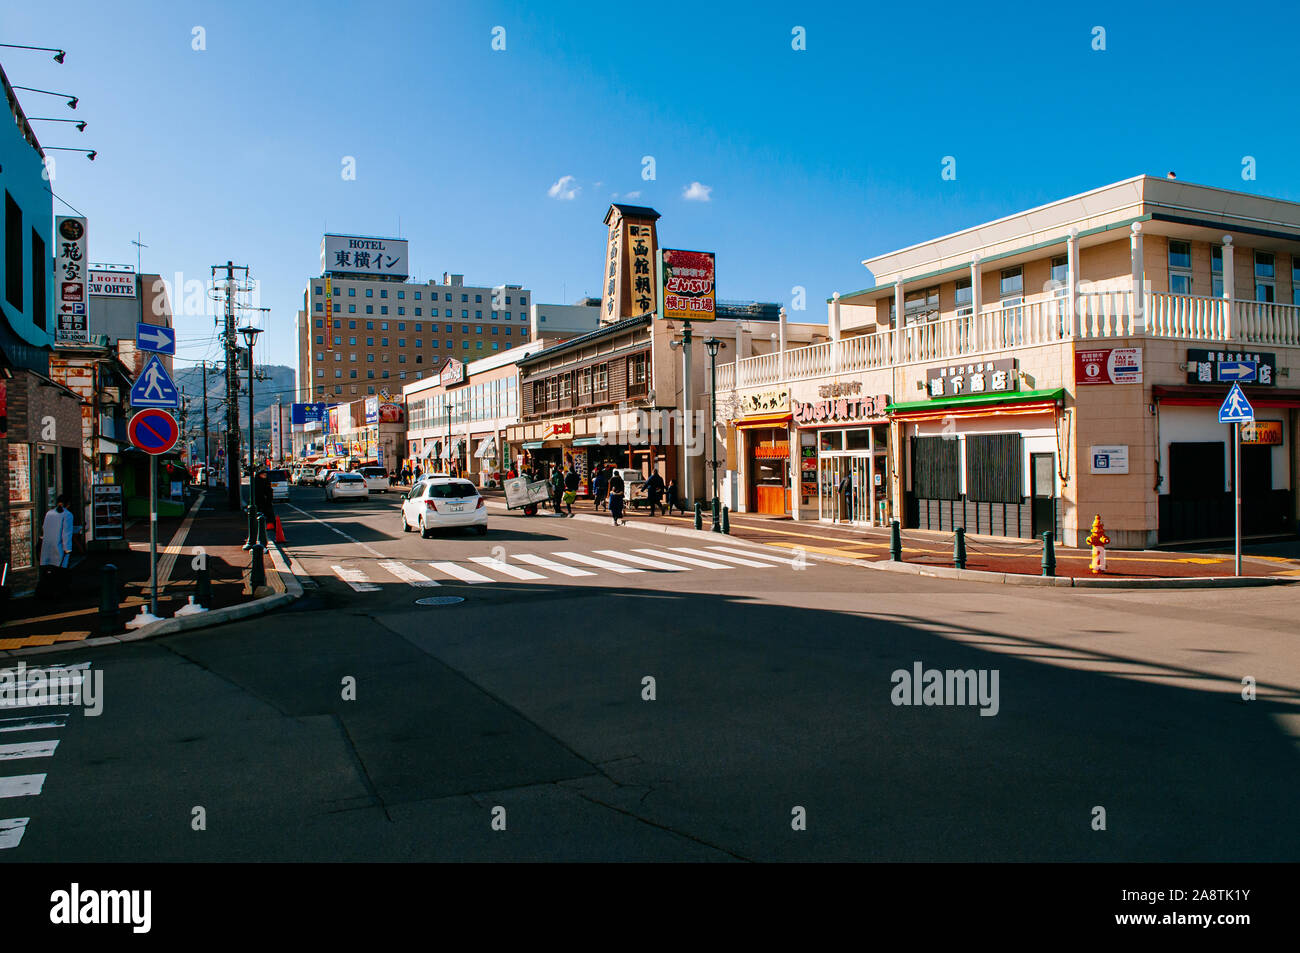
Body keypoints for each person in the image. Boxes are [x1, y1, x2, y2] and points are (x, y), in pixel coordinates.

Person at [38, 495, 75, 598]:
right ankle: (59, 592)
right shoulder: (67, 515)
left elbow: (44, 529)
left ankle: (47, 591)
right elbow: (66, 533)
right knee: (60, 571)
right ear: (68, 504)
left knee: (48, 570)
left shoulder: (49, 513)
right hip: (59, 547)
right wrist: (67, 549)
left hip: (47, 545)